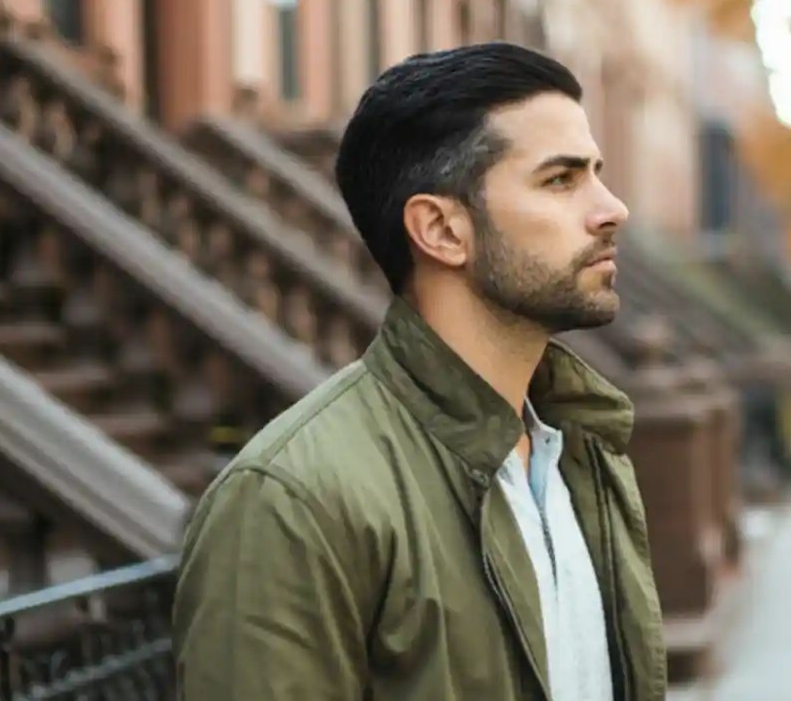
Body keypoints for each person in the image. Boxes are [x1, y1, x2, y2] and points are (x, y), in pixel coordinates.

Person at [173, 42, 666, 700]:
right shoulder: (291, 500)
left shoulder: (580, 454)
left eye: (597, 172)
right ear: (441, 230)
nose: (611, 209)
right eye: (561, 179)